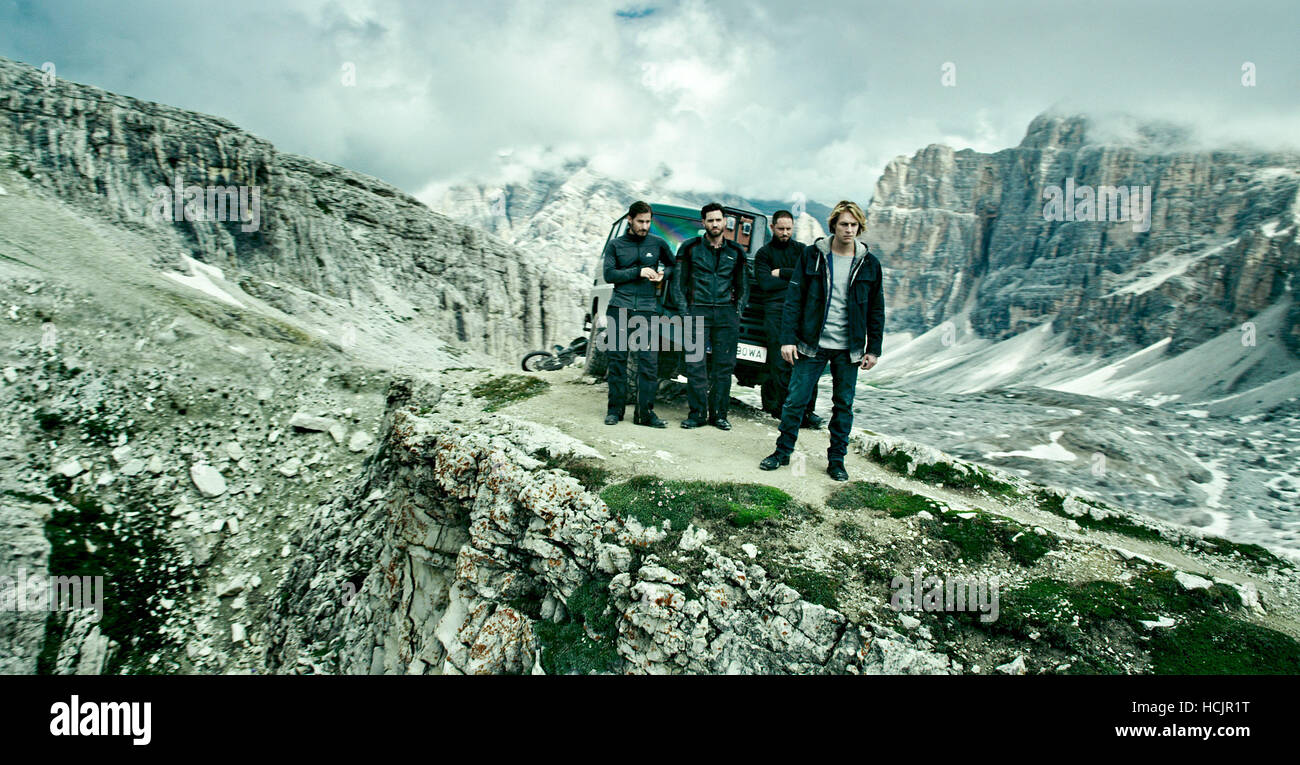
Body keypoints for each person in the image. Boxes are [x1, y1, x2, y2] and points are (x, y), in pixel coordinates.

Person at [759, 200, 884, 481]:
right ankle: (781, 452)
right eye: (843, 224)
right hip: (811, 344)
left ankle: (837, 461)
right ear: (834, 226)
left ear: (859, 227)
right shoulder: (813, 256)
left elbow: (877, 308)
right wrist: (787, 339)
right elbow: (794, 299)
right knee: (795, 401)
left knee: (843, 405)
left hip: (849, 349)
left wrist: (873, 349)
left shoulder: (869, 264)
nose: (848, 230)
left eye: (853, 225)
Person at [669, 202, 749, 431]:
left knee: (724, 367)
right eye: (710, 220)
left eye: (719, 220)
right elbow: (678, 284)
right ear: (703, 223)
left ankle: (719, 416)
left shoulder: (736, 252)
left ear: (725, 222)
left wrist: (737, 311)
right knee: (695, 364)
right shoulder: (690, 248)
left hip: (726, 314)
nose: (715, 224)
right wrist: (685, 312)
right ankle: (697, 415)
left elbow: (743, 286)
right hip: (697, 311)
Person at [601, 200, 675, 427]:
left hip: (647, 310)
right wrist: (638, 271)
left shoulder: (658, 243)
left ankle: (645, 415)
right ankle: (615, 411)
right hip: (619, 307)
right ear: (629, 220)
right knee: (617, 362)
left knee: (649, 364)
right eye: (640, 221)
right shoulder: (616, 245)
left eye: (648, 222)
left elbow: (674, 265)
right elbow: (609, 275)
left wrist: (664, 274)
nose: (644, 226)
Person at [753, 209, 823, 428]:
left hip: (801, 312)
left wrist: (781, 272)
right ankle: (787, 412)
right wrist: (795, 279)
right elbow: (765, 284)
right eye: (781, 229)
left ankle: (808, 411)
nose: (784, 233)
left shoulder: (802, 251)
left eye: (788, 229)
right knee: (781, 363)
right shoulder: (764, 254)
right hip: (774, 312)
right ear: (772, 228)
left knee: (806, 362)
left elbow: (811, 279)